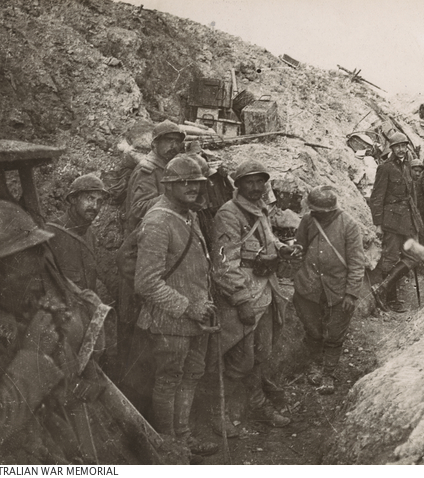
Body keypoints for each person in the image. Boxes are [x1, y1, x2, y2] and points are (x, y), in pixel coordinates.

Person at [0, 200, 113, 464]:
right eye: (27, 279)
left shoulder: (9, 309)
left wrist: (61, 354)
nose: (40, 288)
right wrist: (34, 353)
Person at [134, 154, 219, 457]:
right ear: (168, 186)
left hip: (198, 317)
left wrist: (203, 303)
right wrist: (187, 306)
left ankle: (183, 436)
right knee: (169, 379)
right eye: (184, 183)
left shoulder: (188, 214)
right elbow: (145, 282)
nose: (192, 188)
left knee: (192, 375)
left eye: (196, 183)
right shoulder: (158, 220)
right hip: (171, 320)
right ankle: (169, 444)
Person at [211, 159, 301, 434]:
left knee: (261, 354)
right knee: (238, 360)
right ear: (237, 185)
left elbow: (265, 239)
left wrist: (281, 248)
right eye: (249, 182)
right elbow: (225, 264)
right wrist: (241, 300)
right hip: (244, 295)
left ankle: (258, 405)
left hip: (266, 290)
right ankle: (220, 413)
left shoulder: (260, 210)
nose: (256, 187)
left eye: (260, 181)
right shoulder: (229, 214)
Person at [118, 120, 186, 382]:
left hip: (160, 252)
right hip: (139, 253)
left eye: (177, 141)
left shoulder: (168, 168)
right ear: (154, 143)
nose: (174, 146)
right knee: (136, 324)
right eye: (168, 141)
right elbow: (137, 209)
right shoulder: (147, 171)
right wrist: (171, 197)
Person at [292, 186, 365, 395]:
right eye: (314, 211)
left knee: (335, 333)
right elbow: (301, 245)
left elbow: (357, 261)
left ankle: (328, 372)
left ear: (331, 210)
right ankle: (315, 363)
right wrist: (296, 250)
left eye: (321, 212)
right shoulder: (307, 221)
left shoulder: (348, 225)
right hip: (309, 285)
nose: (316, 215)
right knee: (313, 329)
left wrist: (352, 293)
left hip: (338, 288)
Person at [369, 132, 424, 312]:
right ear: (391, 148)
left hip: (407, 218)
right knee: (390, 259)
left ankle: (382, 287)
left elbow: (411, 194)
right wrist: (378, 223)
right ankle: (390, 299)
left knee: (413, 256)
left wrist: (415, 215)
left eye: (403, 146)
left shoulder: (407, 166)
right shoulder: (385, 168)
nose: (401, 149)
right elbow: (377, 197)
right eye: (397, 146)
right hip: (391, 219)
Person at [46, 173, 108, 293]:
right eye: (90, 199)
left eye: (99, 201)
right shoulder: (51, 234)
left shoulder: (89, 234)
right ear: (73, 199)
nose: (95, 206)